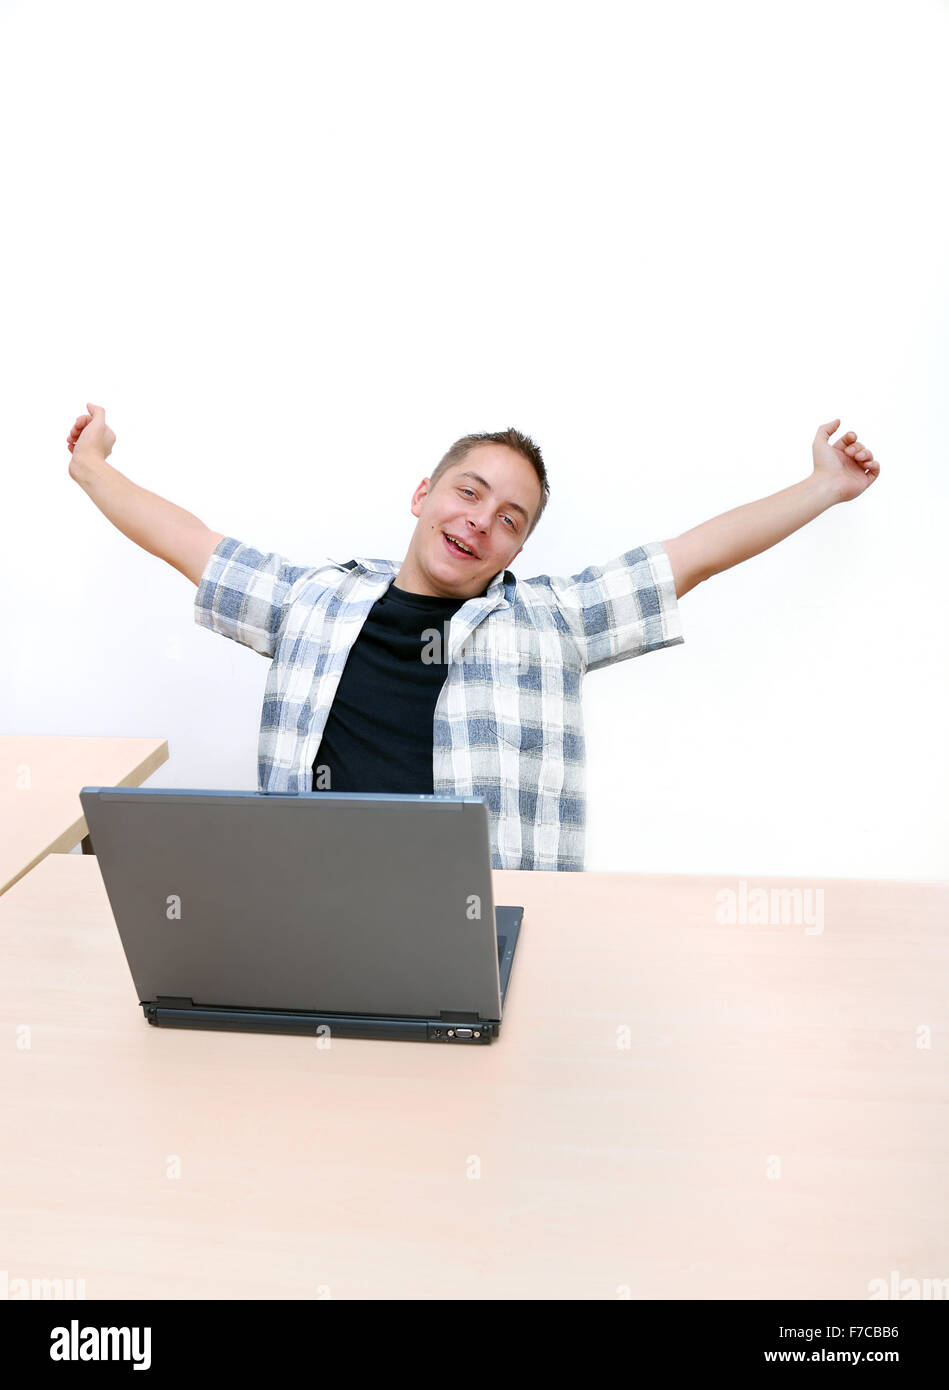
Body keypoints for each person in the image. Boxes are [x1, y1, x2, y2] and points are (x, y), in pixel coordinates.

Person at [66, 403, 880, 870]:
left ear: (518, 549)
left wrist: (822, 486)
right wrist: (93, 466)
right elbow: (188, 540)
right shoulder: (312, 601)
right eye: (468, 492)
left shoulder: (552, 620)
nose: (479, 522)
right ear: (423, 493)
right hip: (314, 898)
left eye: (508, 519)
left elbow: (696, 552)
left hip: (481, 916)